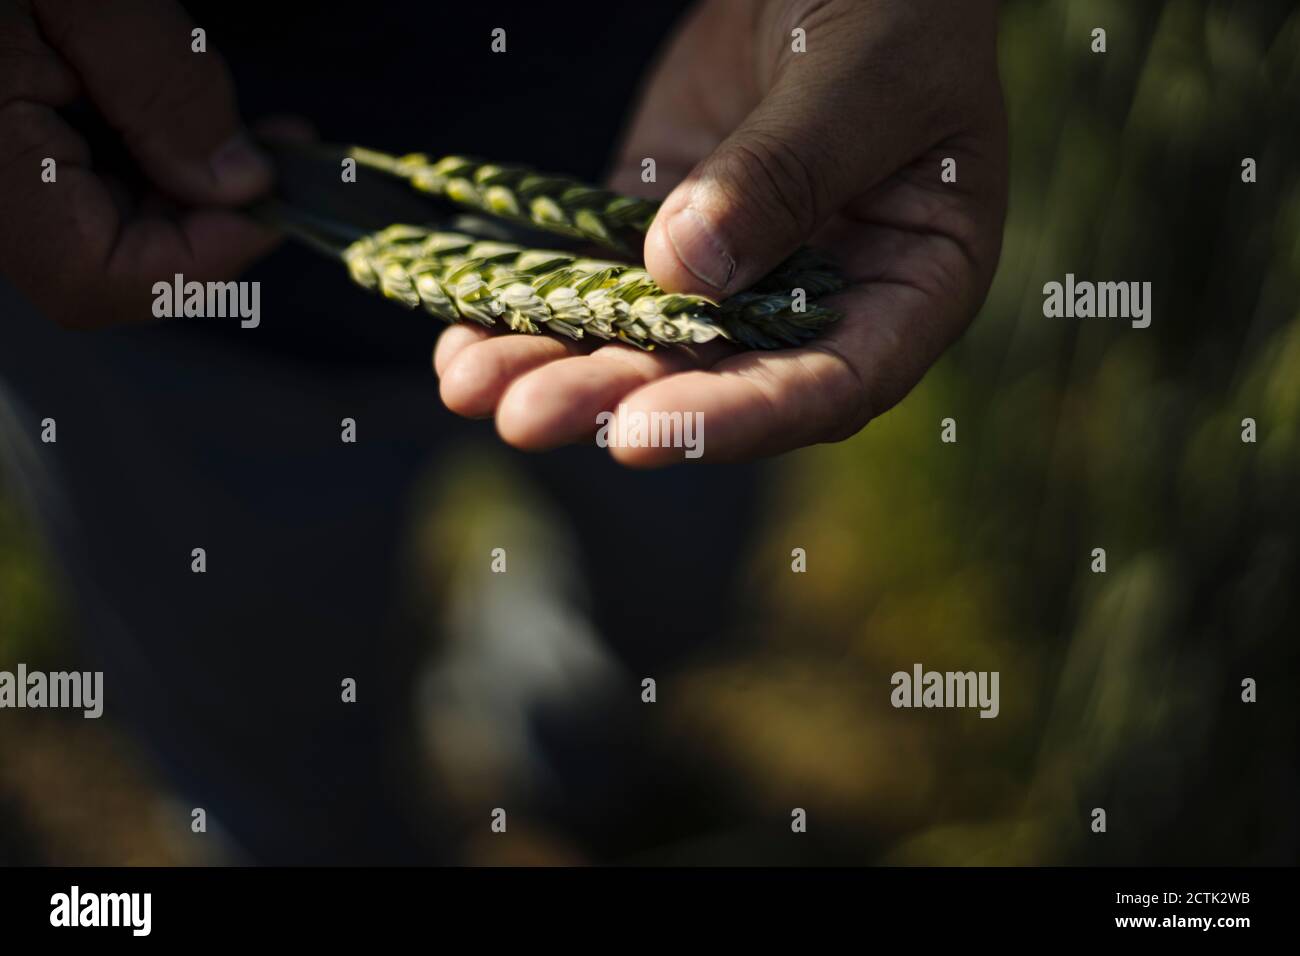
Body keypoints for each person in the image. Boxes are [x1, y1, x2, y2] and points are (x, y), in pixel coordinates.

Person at [0, 0, 1006, 863]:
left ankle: (565, 772)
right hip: (165, 301)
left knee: (670, 588)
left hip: (677, 126)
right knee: (261, 706)